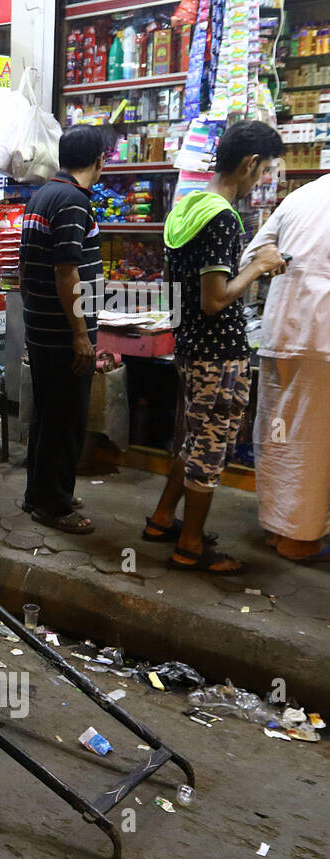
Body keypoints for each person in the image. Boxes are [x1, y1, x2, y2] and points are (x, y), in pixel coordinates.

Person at [145, 121, 288, 574]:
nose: (262, 180)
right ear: (249, 164)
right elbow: (215, 299)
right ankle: (190, 546)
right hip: (218, 352)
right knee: (211, 447)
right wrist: (260, 266)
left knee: (192, 437)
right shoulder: (223, 216)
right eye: (264, 170)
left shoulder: (187, 206)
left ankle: (163, 518)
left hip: (188, 346)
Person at [18, 125, 106, 534]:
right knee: (66, 418)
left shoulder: (42, 196)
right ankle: (54, 505)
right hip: (61, 332)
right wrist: (80, 334)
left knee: (48, 415)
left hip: (41, 328)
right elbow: (66, 272)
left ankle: (39, 493)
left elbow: (27, 268)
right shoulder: (73, 201)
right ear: (99, 160)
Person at [240, 172, 330, 562]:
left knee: (278, 432)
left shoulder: (301, 196)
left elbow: (250, 257)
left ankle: (276, 528)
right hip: (319, 336)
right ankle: (300, 538)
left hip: (279, 330)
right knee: (311, 441)